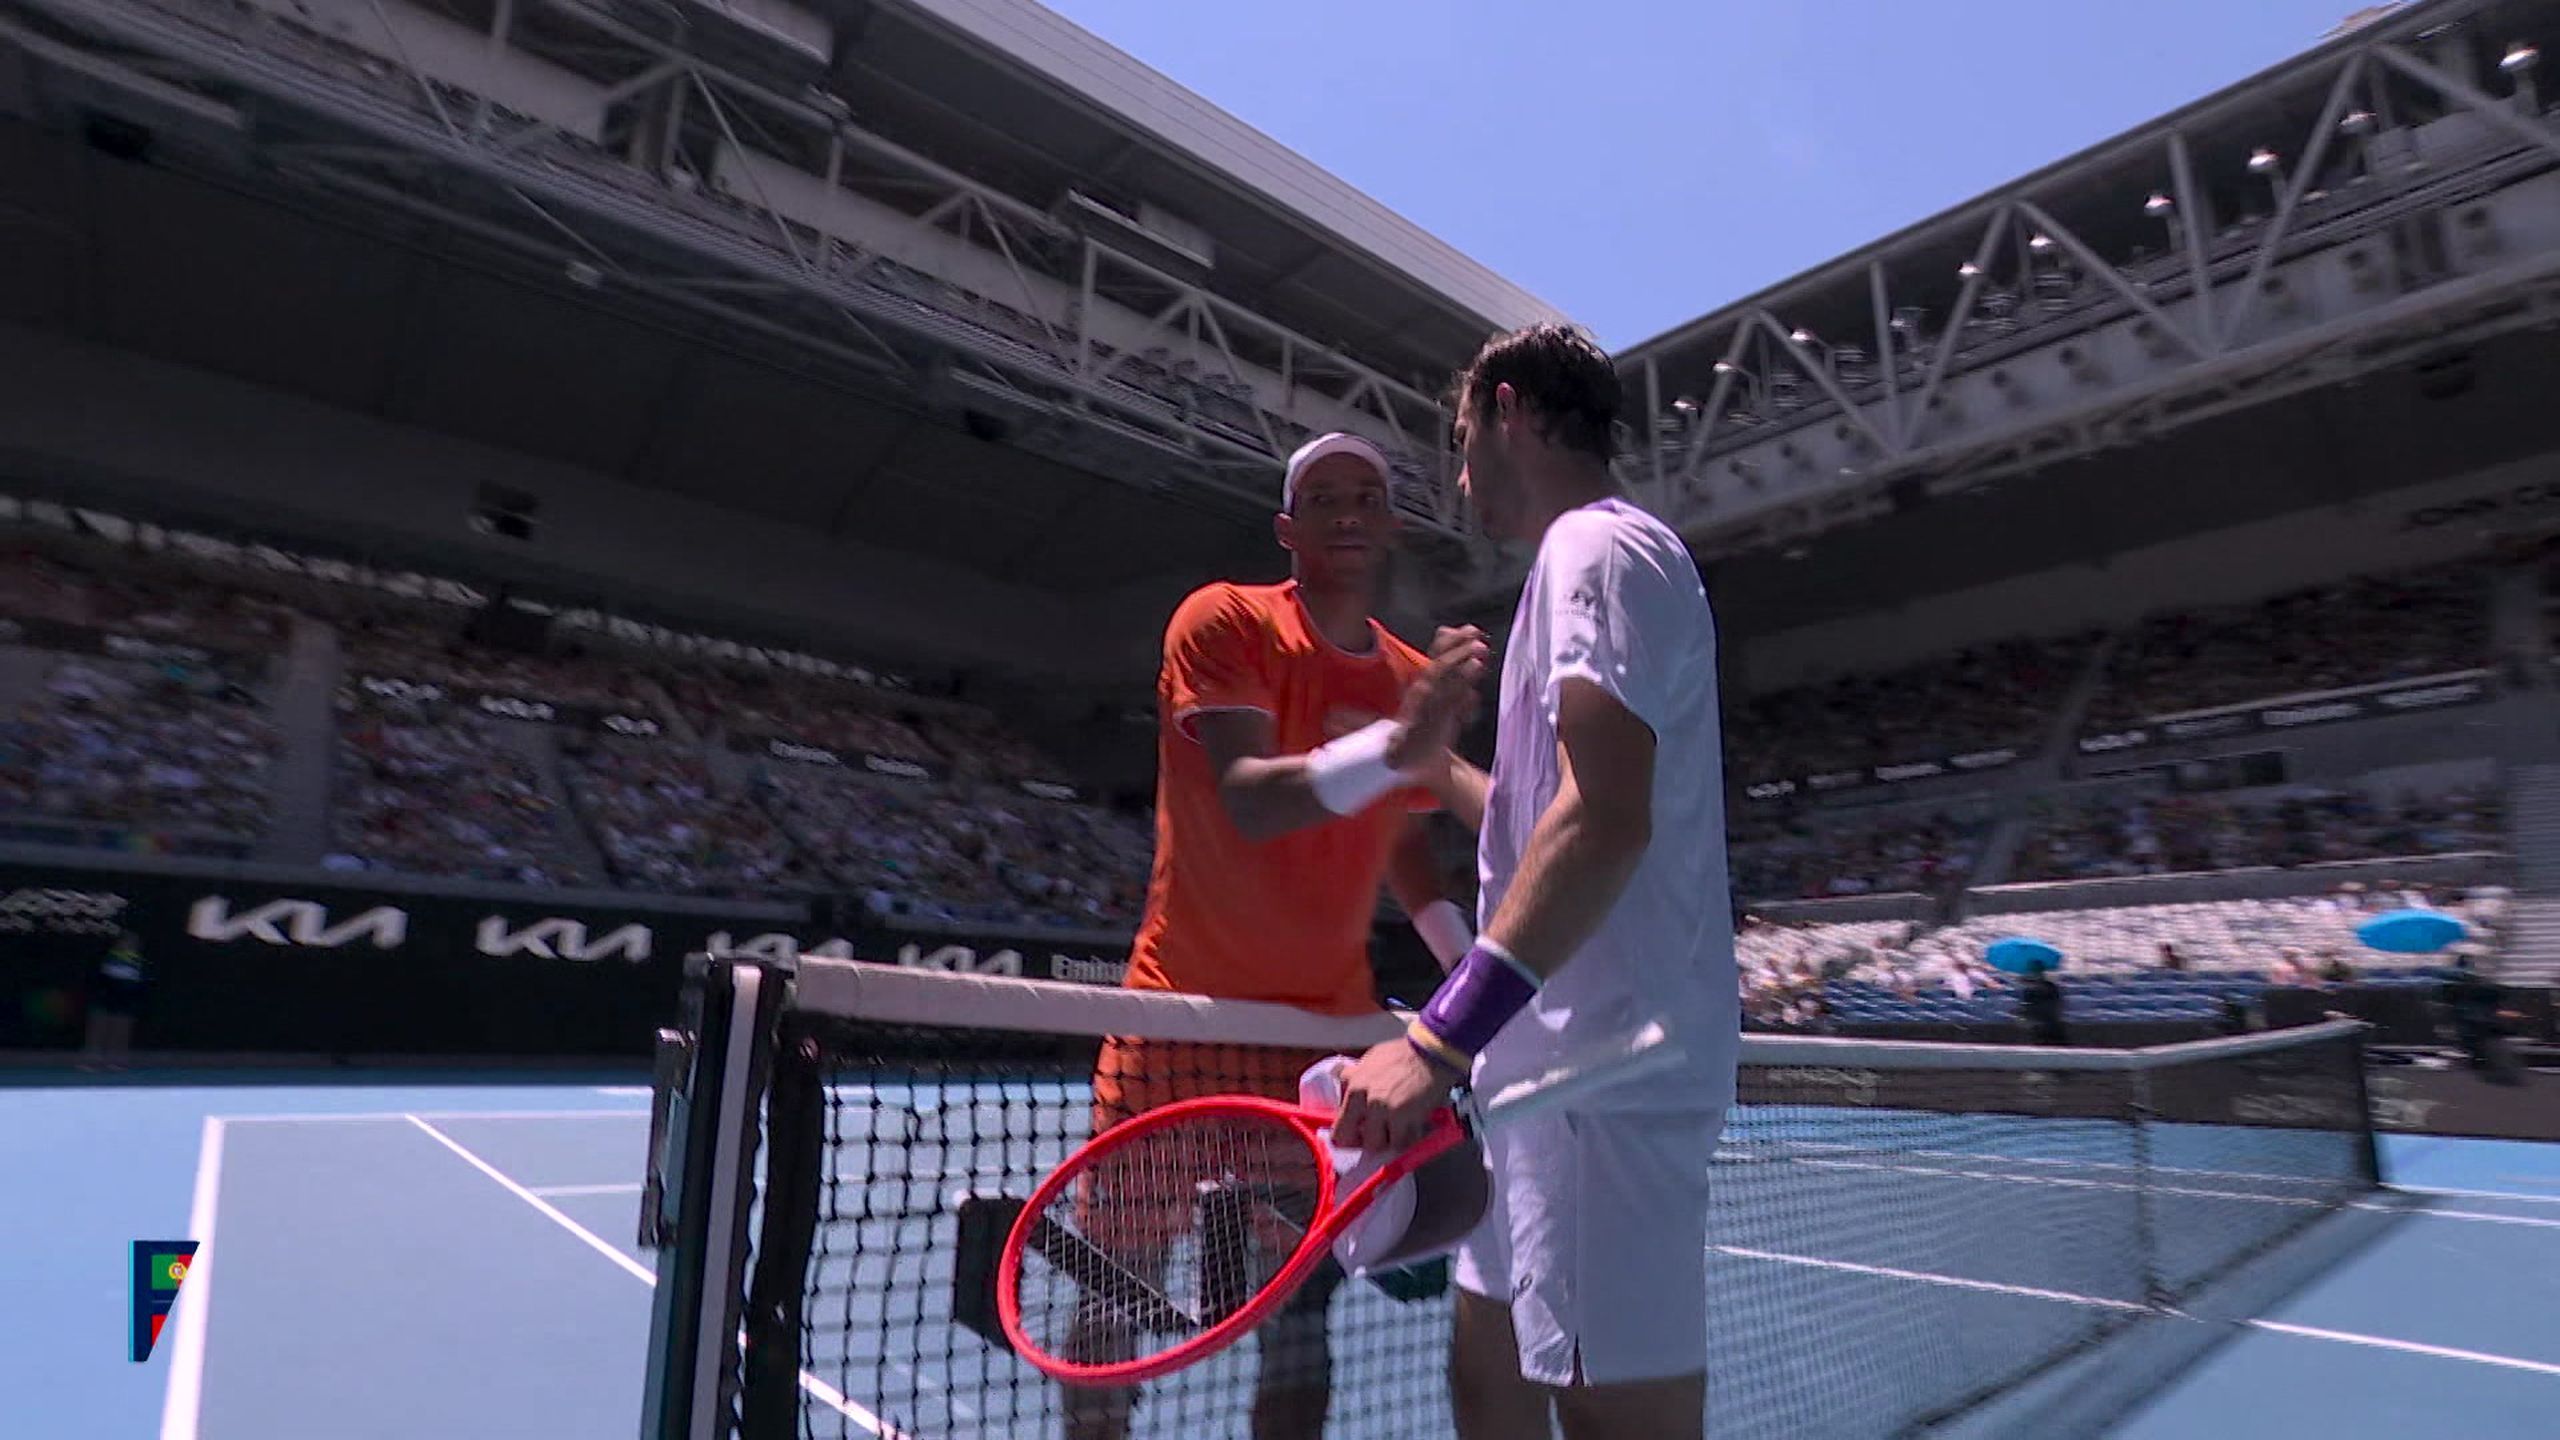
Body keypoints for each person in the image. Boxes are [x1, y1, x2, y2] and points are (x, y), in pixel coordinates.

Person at [1334, 323, 1737, 1440]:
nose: (1459, 477)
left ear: (1508, 409)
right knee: (1486, 1381)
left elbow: (1602, 821)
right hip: (1543, 1087)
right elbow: (1542, 819)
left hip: (1601, 1087)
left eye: (1462, 439)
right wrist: (1431, 768)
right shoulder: (1585, 567)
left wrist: (1435, 1042)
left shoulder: (1594, 549)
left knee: (1614, 1425)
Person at [1066, 430, 1492, 1440]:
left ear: (1391, 526)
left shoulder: (1406, 675)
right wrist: (1401, 742)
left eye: (1367, 497)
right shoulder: (1226, 620)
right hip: (1179, 1021)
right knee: (1114, 1299)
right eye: (1324, 497)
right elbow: (1252, 800)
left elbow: (1403, 844)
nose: (1348, 512)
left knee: (1297, 1319)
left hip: (1319, 1054)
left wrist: (1475, 977)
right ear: (1287, 529)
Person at [82, 929, 146, 1072]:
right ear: (119, 943)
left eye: (133, 943)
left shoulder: (137, 961)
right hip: (104, 1000)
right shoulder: (109, 958)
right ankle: (92, 1060)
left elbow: (138, 983)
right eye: (126, 941)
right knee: (98, 1030)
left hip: (124, 1002)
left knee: (120, 1031)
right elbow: (99, 979)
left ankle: (116, 1060)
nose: (129, 945)